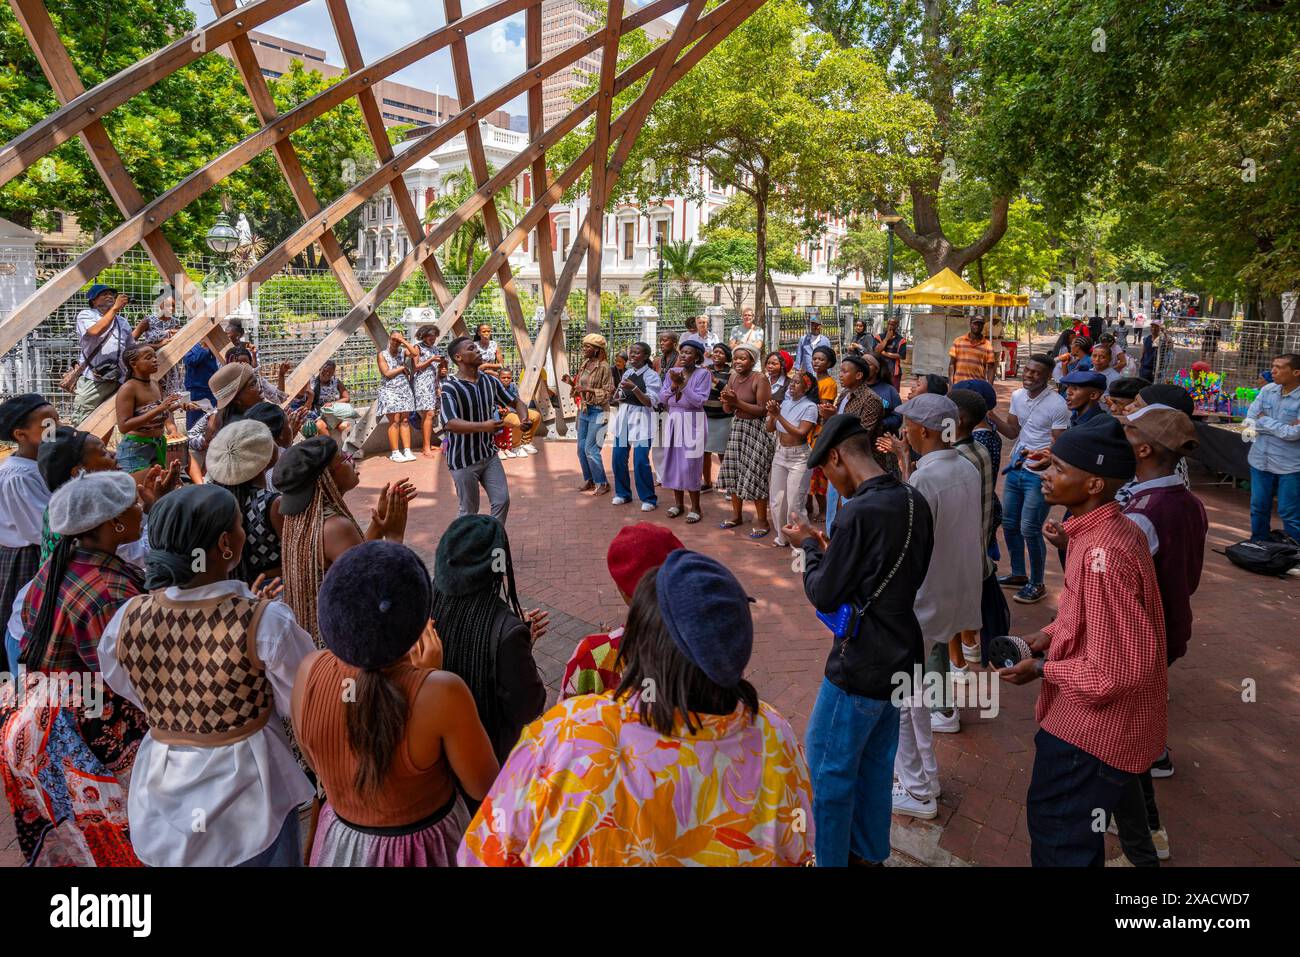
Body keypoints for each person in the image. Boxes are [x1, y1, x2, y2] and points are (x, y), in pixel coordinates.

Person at [458, 549, 814, 867]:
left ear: (639, 645)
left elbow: (483, 852)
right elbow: (801, 848)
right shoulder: (773, 734)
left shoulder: (567, 734)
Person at [99, 484, 315, 866]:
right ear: (226, 545)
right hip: (250, 791)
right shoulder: (264, 621)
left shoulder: (127, 618)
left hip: (164, 787)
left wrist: (183, 705)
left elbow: (128, 684)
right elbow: (303, 696)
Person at [997, 418, 1166, 867]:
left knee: (1060, 834)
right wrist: (1047, 636)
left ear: (1092, 483)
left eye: (1057, 468)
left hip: (1089, 730)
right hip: (1097, 724)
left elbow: (1115, 671)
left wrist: (1043, 669)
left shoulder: (1102, 554)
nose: (1045, 475)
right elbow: (1087, 613)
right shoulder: (1103, 533)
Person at [293, 541, 500, 866]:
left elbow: (318, 761)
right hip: (426, 847)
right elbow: (485, 785)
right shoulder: (441, 692)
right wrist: (427, 678)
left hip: (343, 844)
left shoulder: (308, 671)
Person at [787, 415, 934, 866]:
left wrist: (810, 547)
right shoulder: (912, 497)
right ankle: (870, 855)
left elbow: (825, 591)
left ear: (836, 457)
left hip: (859, 667)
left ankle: (829, 860)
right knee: (873, 769)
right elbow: (891, 570)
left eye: (826, 471)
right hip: (902, 656)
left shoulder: (858, 512)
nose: (828, 481)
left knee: (828, 777)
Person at [1, 471, 148, 865]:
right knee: (123, 839)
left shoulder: (56, 567)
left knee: (79, 840)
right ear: (112, 524)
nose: (141, 509)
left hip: (40, 718)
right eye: (133, 506)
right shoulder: (107, 592)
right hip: (85, 730)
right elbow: (133, 679)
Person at [1101, 404, 1206, 865]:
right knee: (1127, 734)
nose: (1119, 436)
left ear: (1142, 449)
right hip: (1164, 630)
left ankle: (1146, 837)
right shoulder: (1187, 501)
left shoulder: (1142, 515)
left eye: (1126, 432)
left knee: (1122, 743)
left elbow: (1120, 586)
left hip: (1137, 638)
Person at [890, 393, 983, 815]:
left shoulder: (927, 479)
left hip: (925, 596)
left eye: (907, 424)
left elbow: (912, 543)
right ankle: (920, 778)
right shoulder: (963, 465)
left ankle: (919, 787)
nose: (903, 431)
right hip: (955, 590)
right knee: (916, 692)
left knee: (907, 698)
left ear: (924, 431)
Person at [274, 435, 415, 643]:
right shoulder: (335, 527)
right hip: (343, 643)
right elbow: (375, 592)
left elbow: (353, 561)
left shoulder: (305, 518)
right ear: (327, 477)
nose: (352, 460)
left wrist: (378, 524)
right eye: (345, 458)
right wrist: (394, 536)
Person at [431, 516, 547, 764]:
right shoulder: (507, 632)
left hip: (442, 751)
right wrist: (520, 648)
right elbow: (530, 706)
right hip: (490, 760)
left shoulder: (432, 600)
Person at [560, 523, 683, 699]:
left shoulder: (594, 655)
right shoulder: (715, 642)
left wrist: (611, 641)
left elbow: (566, 713)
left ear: (623, 589)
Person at [986, 354, 1070, 604]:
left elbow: (1059, 444)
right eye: (1027, 370)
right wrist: (989, 414)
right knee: (1010, 524)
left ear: (1047, 377)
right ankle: (1019, 574)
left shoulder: (1058, 405)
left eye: (1036, 373)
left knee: (1030, 528)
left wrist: (1043, 460)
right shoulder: (1017, 397)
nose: (1029, 375)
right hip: (1016, 468)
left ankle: (1037, 583)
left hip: (1040, 474)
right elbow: (1012, 432)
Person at [948, 387, 1009, 673]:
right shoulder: (978, 447)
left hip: (960, 553)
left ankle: (958, 664)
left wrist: (904, 460)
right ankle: (970, 645)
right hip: (976, 546)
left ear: (957, 419)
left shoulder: (957, 460)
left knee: (950, 612)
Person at [440, 335, 530, 522]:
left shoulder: (490, 381)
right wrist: (484, 426)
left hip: (489, 456)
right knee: (469, 511)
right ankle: (460, 547)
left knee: (502, 501)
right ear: (458, 358)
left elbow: (516, 402)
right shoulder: (450, 387)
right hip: (463, 460)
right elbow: (449, 423)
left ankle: (492, 539)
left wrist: (524, 418)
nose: (478, 351)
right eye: (471, 349)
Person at [0, 394, 57, 672]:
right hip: (26, 556)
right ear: (20, 434)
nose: (55, 430)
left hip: (38, 548)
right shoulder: (18, 476)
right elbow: (42, 527)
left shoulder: (37, 465)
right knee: (26, 616)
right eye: (47, 425)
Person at [206, 419, 283, 584]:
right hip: (274, 587)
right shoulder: (272, 504)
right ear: (263, 459)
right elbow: (294, 554)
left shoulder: (219, 500)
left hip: (238, 586)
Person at [821, 355, 885, 534]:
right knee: (833, 503)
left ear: (858, 375)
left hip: (859, 465)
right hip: (838, 460)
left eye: (844, 371)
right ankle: (831, 540)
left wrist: (834, 418)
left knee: (855, 508)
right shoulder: (844, 395)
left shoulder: (871, 400)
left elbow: (863, 434)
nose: (840, 375)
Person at [717, 344, 774, 537]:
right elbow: (727, 409)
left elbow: (763, 410)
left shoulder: (760, 378)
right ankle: (736, 515)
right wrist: (727, 401)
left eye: (743, 358)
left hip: (756, 431)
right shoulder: (733, 377)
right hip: (738, 427)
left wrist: (737, 402)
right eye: (736, 358)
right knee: (733, 470)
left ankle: (762, 521)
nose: (738, 362)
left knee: (756, 473)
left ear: (752, 360)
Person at [1243, 353, 1300, 542]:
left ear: (1296, 372)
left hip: (1290, 466)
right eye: (1272, 365)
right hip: (1260, 460)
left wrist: (1264, 420)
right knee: (1258, 507)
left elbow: (1293, 434)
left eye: (1279, 367)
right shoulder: (1268, 390)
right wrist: (1278, 427)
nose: (1272, 371)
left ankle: (1295, 553)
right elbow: (1249, 422)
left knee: (1289, 512)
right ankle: (1258, 544)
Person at [73, 284, 146, 424]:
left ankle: (100, 446)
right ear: (93, 300)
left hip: (118, 378)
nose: (109, 296)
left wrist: (157, 344)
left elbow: (131, 348)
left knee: (107, 421)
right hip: (94, 379)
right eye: (103, 294)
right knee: (85, 419)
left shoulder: (122, 322)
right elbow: (95, 331)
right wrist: (115, 309)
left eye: (111, 294)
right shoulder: (86, 315)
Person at [659, 339, 711, 523]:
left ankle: (696, 507)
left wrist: (682, 385)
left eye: (688, 352)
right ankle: (678, 504)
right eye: (682, 352)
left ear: (697, 356)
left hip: (693, 421)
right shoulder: (673, 373)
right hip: (674, 419)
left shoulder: (703, 374)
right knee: (674, 462)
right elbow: (663, 398)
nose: (683, 355)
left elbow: (698, 401)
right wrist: (673, 386)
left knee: (691, 464)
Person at [113, 345, 188, 473]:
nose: (154, 360)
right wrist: (159, 409)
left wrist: (179, 406)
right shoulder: (128, 388)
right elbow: (124, 426)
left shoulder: (154, 383)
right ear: (133, 364)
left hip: (157, 445)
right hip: (135, 449)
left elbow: (160, 410)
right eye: (148, 358)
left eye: (154, 356)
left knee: (155, 490)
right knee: (138, 491)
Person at [767, 371, 820, 548]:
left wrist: (778, 415)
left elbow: (801, 433)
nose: (791, 385)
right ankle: (783, 536)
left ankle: (800, 541)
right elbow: (769, 428)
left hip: (799, 457)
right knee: (777, 501)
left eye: (797, 383)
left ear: (807, 387)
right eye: (792, 382)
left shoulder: (810, 407)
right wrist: (772, 414)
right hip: (780, 453)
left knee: (795, 504)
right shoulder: (785, 403)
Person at [609, 342, 661, 510]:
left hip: (643, 420)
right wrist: (615, 394)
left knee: (640, 461)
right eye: (631, 352)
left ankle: (648, 498)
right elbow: (620, 397)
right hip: (625, 417)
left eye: (636, 353)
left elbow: (649, 401)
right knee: (618, 457)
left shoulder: (652, 376)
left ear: (646, 356)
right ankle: (623, 494)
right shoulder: (628, 373)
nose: (631, 355)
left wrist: (635, 388)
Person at [563, 333, 615, 495]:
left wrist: (587, 389)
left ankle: (603, 483)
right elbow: (579, 388)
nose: (584, 349)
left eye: (587, 346)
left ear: (597, 349)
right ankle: (591, 480)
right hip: (585, 410)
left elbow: (608, 392)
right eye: (584, 345)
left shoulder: (604, 367)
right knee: (580, 449)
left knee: (590, 449)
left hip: (599, 411)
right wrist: (571, 383)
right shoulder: (585, 363)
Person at [136, 291, 185, 412]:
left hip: (170, 366)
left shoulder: (175, 322)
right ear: (160, 304)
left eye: (174, 306)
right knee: (155, 400)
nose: (171, 308)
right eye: (168, 305)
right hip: (152, 365)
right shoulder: (148, 321)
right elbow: (132, 343)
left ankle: (170, 429)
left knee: (170, 401)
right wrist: (157, 345)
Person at [806, 345, 839, 519]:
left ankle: (823, 509)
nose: (817, 362)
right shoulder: (811, 380)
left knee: (817, 471)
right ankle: (808, 507)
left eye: (821, 359)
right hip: (806, 427)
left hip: (818, 429)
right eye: (815, 358)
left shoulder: (829, 384)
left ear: (829, 363)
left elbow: (823, 410)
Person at [376, 330, 418, 463]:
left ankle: (407, 450)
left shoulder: (402, 352)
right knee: (394, 420)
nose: (396, 342)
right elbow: (387, 373)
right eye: (394, 339)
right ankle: (395, 452)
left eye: (398, 340)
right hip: (389, 389)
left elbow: (415, 353)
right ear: (389, 339)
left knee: (405, 420)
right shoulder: (382, 354)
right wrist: (401, 368)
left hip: (404, 389)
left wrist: (403, 341)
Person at [291, 359, 354, 447]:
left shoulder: (336, 382)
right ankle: (332, 450)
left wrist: (333, 404)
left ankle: (351, 449)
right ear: (320, 369)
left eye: (330, 372)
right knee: (320, 426)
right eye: (325, 370)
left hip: (332, 413)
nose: (327, 373)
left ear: (333, 374)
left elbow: (347, 398)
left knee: (345, 426)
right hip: (318, 415)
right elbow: (303, 400)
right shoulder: (311, 382)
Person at [701, 342, 734, 491]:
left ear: (726, 356)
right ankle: (707, 483)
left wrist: (715, 381)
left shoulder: (732, 373)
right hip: (705, 416)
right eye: (715, 352)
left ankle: (728, 486)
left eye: (720, 352)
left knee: (723, 453)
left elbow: (732, 391)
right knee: (704, 453)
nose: (716, 355)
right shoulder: (705, 370)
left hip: (723, 419)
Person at [494, 368, 542, 458]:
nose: (506, 379)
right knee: (518, 422)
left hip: (512, 410)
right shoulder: (494, 387)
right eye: (503, 377)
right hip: (500, 414)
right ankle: (515, 446)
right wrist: (501, 410)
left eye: (508, 377)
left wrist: (510, 409)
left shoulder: (513, 386)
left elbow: (517, 402)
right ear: (498, 377)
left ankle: (526, 442)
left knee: (536, 416)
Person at [182, 338, 220, 430]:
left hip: (211, 389)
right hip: (196, 390)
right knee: (194, 422)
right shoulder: (189, 345)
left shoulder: (212, 344)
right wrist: (204, 348)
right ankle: (193, 441)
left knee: (212, 418)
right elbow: (191, 361)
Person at [948, 316, 997, 384]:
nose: (977, 326)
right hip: (959, 385)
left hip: (977, 386)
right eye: (975, 323)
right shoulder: (958, 341)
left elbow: (991, 368)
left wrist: (989, 387)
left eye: (980, 324)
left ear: (983, 326)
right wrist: (951, 384)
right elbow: (952, 364)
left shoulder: (987, 345)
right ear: (970, 324)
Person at [875, 316, 908, 389]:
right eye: (888, 324)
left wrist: (885, 353)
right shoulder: (879, 337)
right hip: (880, 370)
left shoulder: (901, 340)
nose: (890, 326)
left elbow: (900, 355)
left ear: (897, 326)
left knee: (893, 391)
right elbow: (877, 351)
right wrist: (886, 339)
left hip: (894, 371)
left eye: (892, 324)